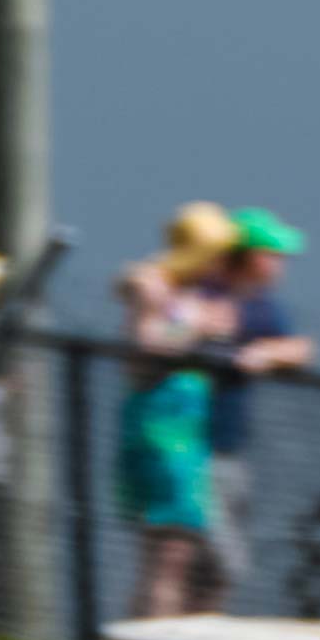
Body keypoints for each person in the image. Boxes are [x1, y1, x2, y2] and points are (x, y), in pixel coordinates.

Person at [116, 203, 241, 618]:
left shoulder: (182, 292)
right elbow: (146, 345)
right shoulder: (154, 287)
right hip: (162, 433)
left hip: (184, 433)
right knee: (168, 553)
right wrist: (198, 327)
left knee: (176, 554)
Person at [197, 207, 314, 607]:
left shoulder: (262, 307)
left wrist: (267, 352)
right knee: (213, 558)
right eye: (274, 254)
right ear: (251, 257)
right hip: (192, 448)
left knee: (222, 567)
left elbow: (302, 349)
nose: (282, 264)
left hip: (230, 451)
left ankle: (201, 634)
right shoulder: (204, 296)